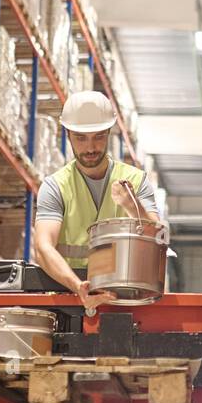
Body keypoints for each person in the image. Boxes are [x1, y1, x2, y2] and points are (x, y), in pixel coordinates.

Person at [33, 91, 158, 313]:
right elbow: (43, 248)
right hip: (67, 292)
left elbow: (157, 238)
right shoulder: (55, 186)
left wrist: (133, 206)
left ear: (109, 132)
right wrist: (78, 287)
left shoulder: (136, 181)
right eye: (81, 138)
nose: (90, 148)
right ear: (68, 135)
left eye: (98, 136)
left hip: (123, 295)